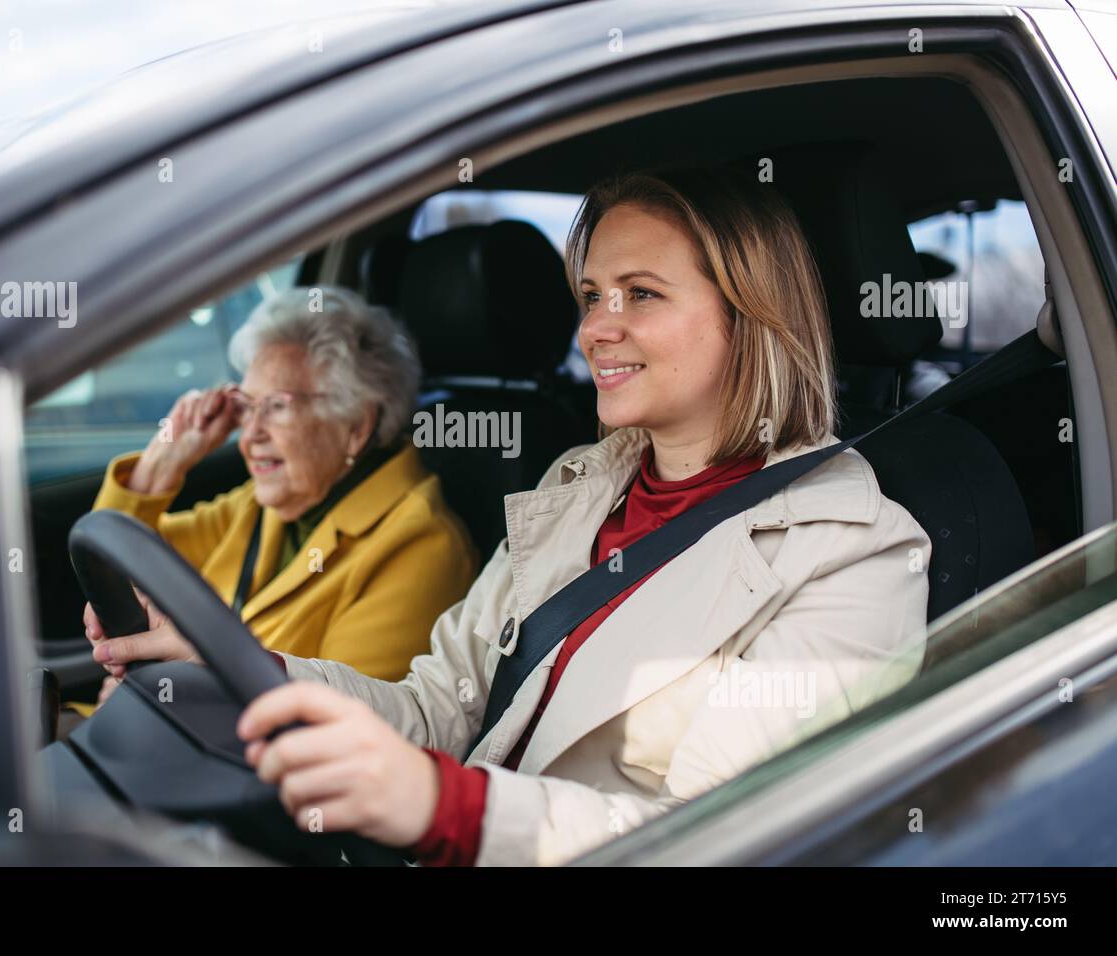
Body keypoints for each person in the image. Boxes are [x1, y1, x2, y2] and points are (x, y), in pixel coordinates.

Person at [107, 170, 932, 866]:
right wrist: (244, 665)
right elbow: (438, 708)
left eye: (640, 294)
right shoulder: (578, 489)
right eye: (591, 294)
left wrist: (446, 806)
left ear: (749, 316)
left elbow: (716, 838)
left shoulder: (851, 552)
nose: (595, 327)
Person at [84, 285, 477, 705]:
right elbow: (112, 570)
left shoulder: (421, 547)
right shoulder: (258, 506)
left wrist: (161, 700)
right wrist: (159, 466)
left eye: (277, 406)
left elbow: (337, 732)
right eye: (247, 406)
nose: (249, 436)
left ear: (356, 426)